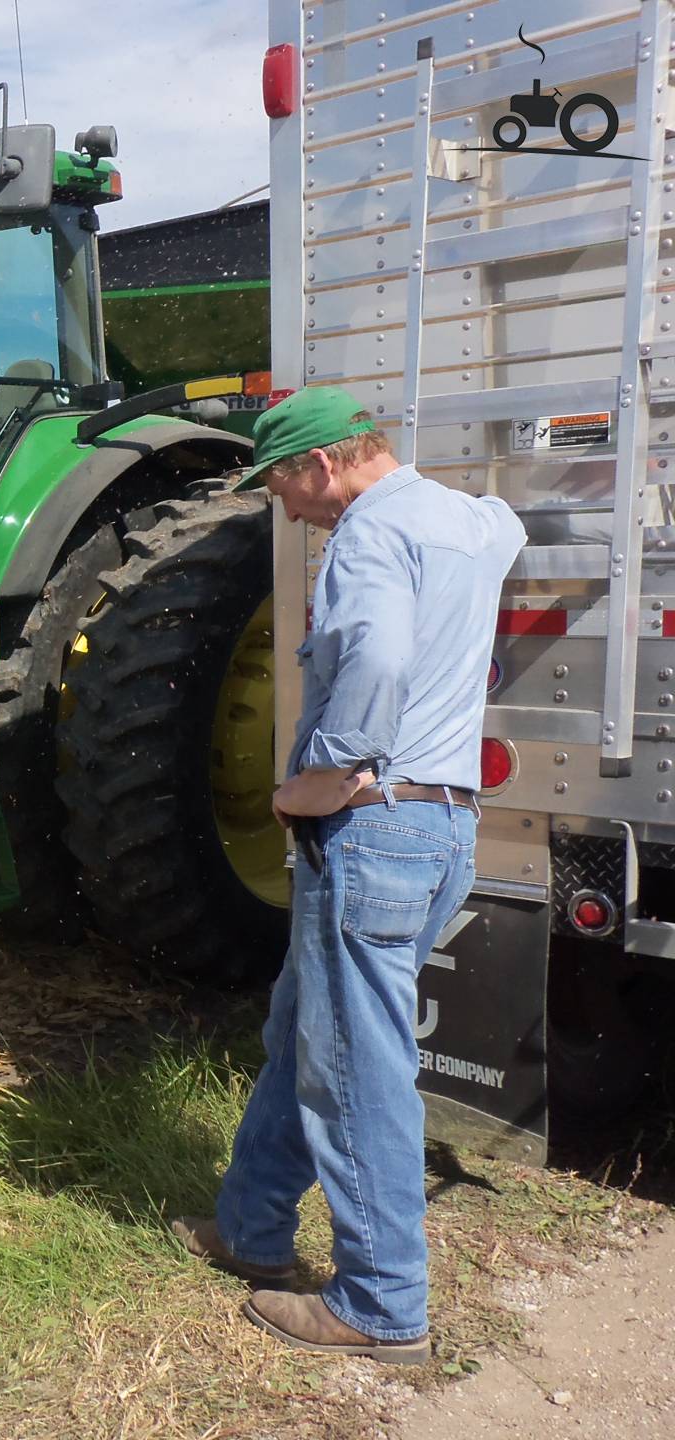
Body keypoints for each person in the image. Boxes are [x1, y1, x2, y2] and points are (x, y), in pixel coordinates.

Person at [171, 385, 526, 1363]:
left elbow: (374, 652)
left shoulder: (368, 534)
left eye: (284, 482)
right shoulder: (469, 522)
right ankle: (251, 1231)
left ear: (325, 464)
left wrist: (318, 780)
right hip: (442, 830)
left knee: (355, 1071)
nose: (287, 506)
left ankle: (381, 1308)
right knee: (306, 1031)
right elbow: (511, 527)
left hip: (372, 827)